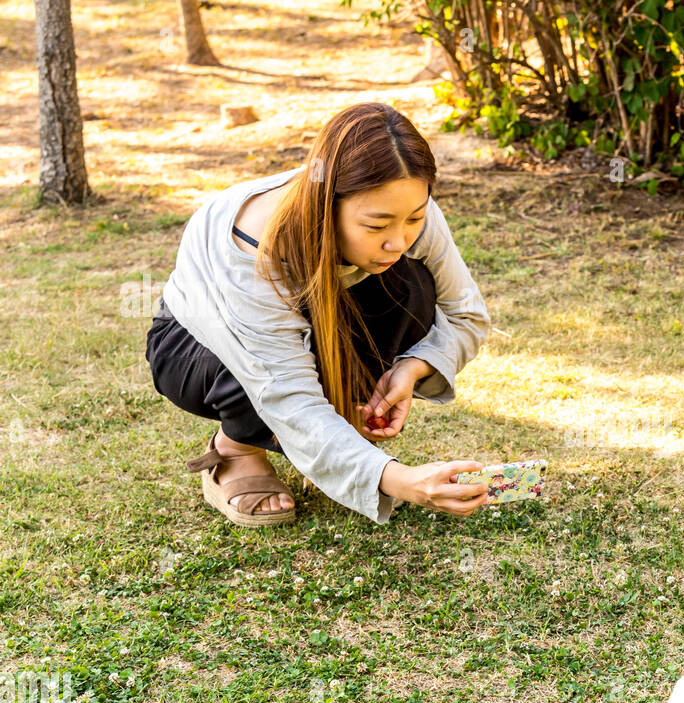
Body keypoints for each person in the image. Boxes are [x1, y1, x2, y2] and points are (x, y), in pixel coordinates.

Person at [144, 102, 492, 527]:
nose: (398, 240)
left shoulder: (399, 203)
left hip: (302, 332)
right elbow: (288, 395)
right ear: (327, 203)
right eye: (377, 226)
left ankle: (333, 439)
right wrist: (403, 481)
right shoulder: (251, 252)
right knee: (261, 375)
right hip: (197, 353)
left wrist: (414, 368)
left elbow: (467, 314)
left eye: (414, 218)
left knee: (410, 284)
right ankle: (236, 448)